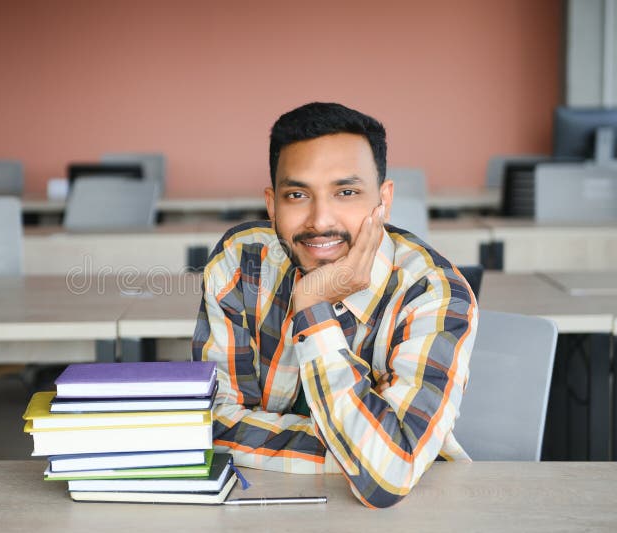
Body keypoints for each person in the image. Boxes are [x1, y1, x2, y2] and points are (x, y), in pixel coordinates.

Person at [192, 102, 478, 508]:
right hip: (259, 507)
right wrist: (362, 449)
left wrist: (312, 306)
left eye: (346, 192)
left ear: (384, 199)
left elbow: (389, 477)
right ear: (272, 205)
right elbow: (211, 423)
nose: (320, 219)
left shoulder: (433, 292)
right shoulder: (240, 264)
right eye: (297, 194)